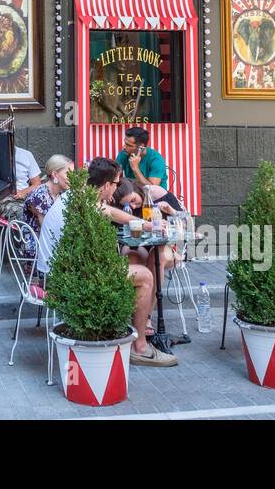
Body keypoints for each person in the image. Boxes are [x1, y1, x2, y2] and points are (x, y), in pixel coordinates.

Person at [36, 157, 177, 367]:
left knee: (133, 260)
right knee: (146, 276)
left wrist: (145, 226)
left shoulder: (79, 195)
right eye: (117, 184)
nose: (117, 190)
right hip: (61, 279)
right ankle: (139, 347)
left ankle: (126, 328)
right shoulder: (85, 205)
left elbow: (109, 211)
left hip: (52, 271)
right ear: (106, 185)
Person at [25, 154, 72, 232]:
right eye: (68, 173)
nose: (72, 177)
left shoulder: (61, 193)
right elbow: (48, 231)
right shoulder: (40, 195)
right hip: (38, 241)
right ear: (55, 175)